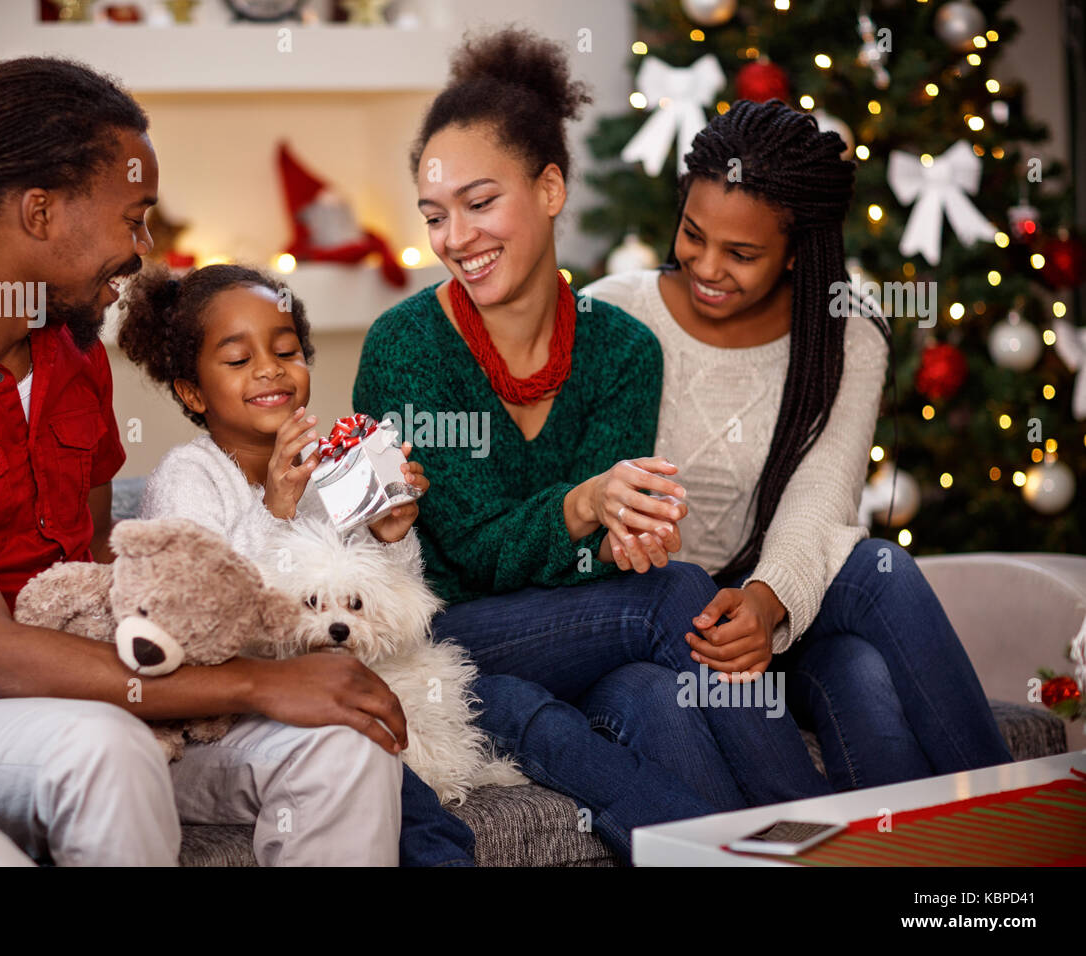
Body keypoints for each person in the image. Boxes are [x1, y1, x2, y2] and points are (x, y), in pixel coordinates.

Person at [0, 57, 403, 866]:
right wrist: (254, 684)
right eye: (134, 218)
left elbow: (105, 572)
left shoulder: (75, 360)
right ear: (40, 211)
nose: (143, 251)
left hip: (94, 678)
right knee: (106, 746)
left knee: (341, 740)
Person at [353, 28, 834, 865]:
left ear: (549, 188)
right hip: (449, 637)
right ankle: (839, 844)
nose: (456, 237)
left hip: (583, 640)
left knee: (655, 692)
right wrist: (582, 508)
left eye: (479, 202)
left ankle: (759, 859)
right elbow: (463, 559)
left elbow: (600, 574)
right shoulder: (406, 348)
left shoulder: (621, 351)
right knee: (675, 598)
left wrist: (625, 536)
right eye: (436, 214)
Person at [584, 97, 1013, 790]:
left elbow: (823, 492)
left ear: (796, 253)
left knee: (880, 576)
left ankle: (1005, 836)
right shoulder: (610, 311)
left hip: (780, 610)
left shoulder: (846, 337)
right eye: (693, 235)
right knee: (860, 671)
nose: (706, 266)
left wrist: (765, 601)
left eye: (742, 253)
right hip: (661, 622)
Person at [118, 261, 475, 866]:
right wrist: (274, 512)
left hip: (327, 697)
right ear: (192, 391)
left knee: (482, 718)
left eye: (287, 350)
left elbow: (391, 624)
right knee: (398, 790)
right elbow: (203, 627)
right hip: (220, 723)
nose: (268, 368)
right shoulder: (189, 479)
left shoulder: (325, 479)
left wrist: (390, 537)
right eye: (238, 360)